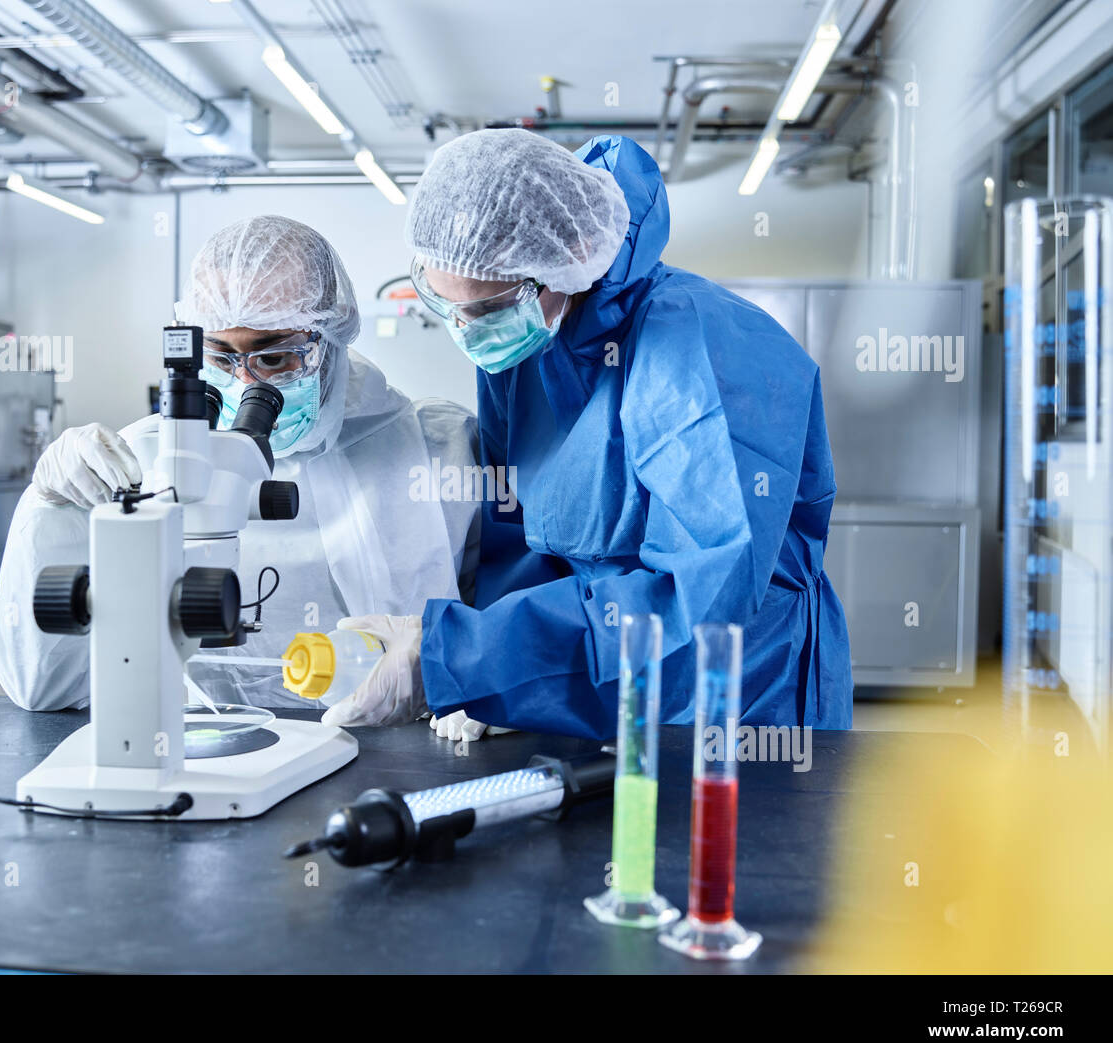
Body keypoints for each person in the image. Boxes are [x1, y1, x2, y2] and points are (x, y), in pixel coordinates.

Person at [321, 129, 851, 741]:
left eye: (487, 309)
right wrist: (503, 685)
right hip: (591, 684)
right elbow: (520, 538)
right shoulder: (525, 344)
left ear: (568, 257)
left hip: (731, 700)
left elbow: (702, 599)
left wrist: (465, 658)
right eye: (446, 306)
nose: (469, 332)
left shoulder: (699, 347)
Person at [0, 215, 480, 712]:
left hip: (402, 759)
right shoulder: (145, 460)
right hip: (207, 753)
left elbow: (497, 636)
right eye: (221, 359)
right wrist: (49, 513)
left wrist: (483, 690)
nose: (246, 385)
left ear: (331, 340)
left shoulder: (439, 450)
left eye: (274, 358)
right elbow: (42, 687)